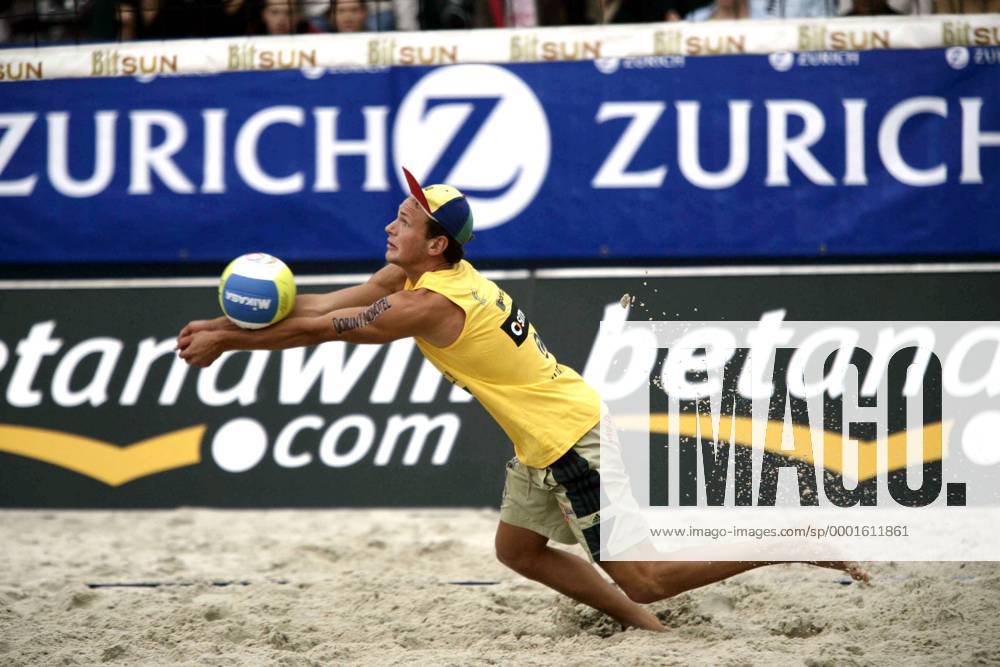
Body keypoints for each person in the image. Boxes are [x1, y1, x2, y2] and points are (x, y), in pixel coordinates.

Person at [177, 168, 869, 632]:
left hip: (571, 438)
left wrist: (228, 343)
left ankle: (791, 534)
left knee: (647, 575)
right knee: (519, 550)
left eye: (405, 219)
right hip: (545, 434)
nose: (392, 224)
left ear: (436, 242)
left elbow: (321, 329)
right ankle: (650, 636)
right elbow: (325, 301)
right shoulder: (420, 272)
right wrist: (219, 325)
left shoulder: (428, 302)